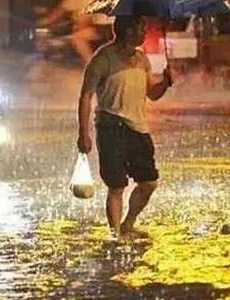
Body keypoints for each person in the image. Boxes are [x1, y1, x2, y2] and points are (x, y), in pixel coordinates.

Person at [77, 16, 172, 239]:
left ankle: (128, 223)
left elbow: (152, 94)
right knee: (116, 185)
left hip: (138, 128)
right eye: (141, 27)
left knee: (149, 182)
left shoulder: (141, 59)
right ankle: (115, 234)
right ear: (128, 30)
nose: (145, 32)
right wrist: (84, 133)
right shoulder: (103, 59)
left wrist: (166, 82)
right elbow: (85, 96)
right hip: (111, 127)